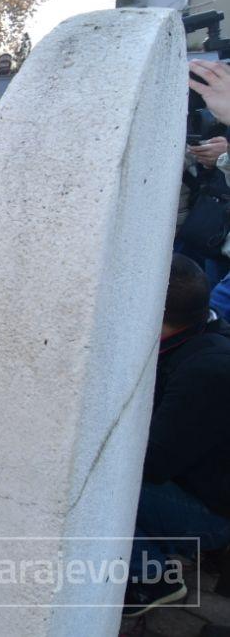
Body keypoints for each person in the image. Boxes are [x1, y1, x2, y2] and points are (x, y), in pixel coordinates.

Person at [122, 255, 230, 616]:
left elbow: (152, 463)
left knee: (93, 485)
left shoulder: (207, 370)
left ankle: (152, 577)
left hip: (211, 514)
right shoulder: (199, 337)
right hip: (193, 486)